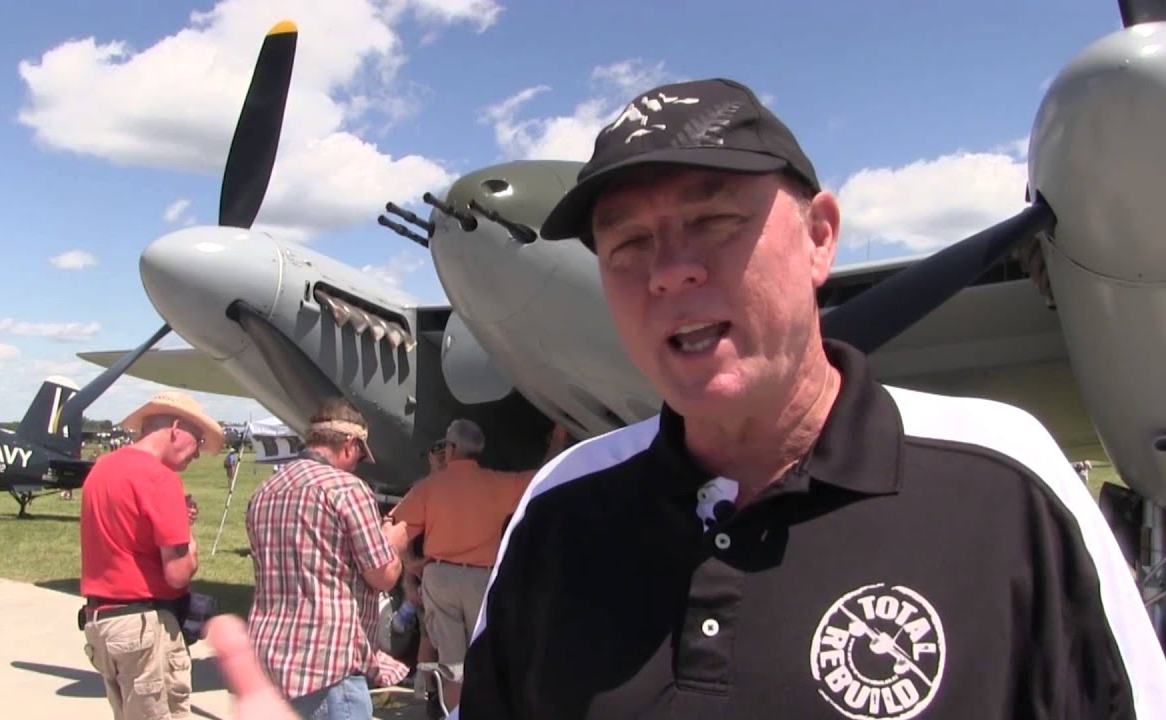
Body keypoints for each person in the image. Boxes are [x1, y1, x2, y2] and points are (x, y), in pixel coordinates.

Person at [201, 78, 1166, 718]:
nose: (670, 273)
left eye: (715, 220)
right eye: (625, 245)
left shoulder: (1010, 483)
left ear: (822, 236)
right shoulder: (559, 512)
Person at [244, 397, 412, 719]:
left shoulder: (265, 491)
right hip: (328, 662)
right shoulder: (348, 489)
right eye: (360, 455)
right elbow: (383, 575)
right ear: (349, 444)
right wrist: (395, 543)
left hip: (271, 655)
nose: (357, 463)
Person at [386, 419, 568, 709]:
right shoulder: (496, 483)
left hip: (440, 578)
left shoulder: (429, 487)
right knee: (483, 655)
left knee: (452, 665)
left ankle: (452, 712)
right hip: (481, 581)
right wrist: (558, 439)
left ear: (452, 448)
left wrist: (411, 565)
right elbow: (542, 475)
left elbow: (396, 527)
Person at [79, 391, 221, 720]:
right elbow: (178, 573)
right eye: (198, 441)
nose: (197, 454)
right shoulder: (161, 478)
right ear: (176, 429)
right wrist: (188, 536)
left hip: (102, 623)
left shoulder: (102, 468)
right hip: (144, 626)